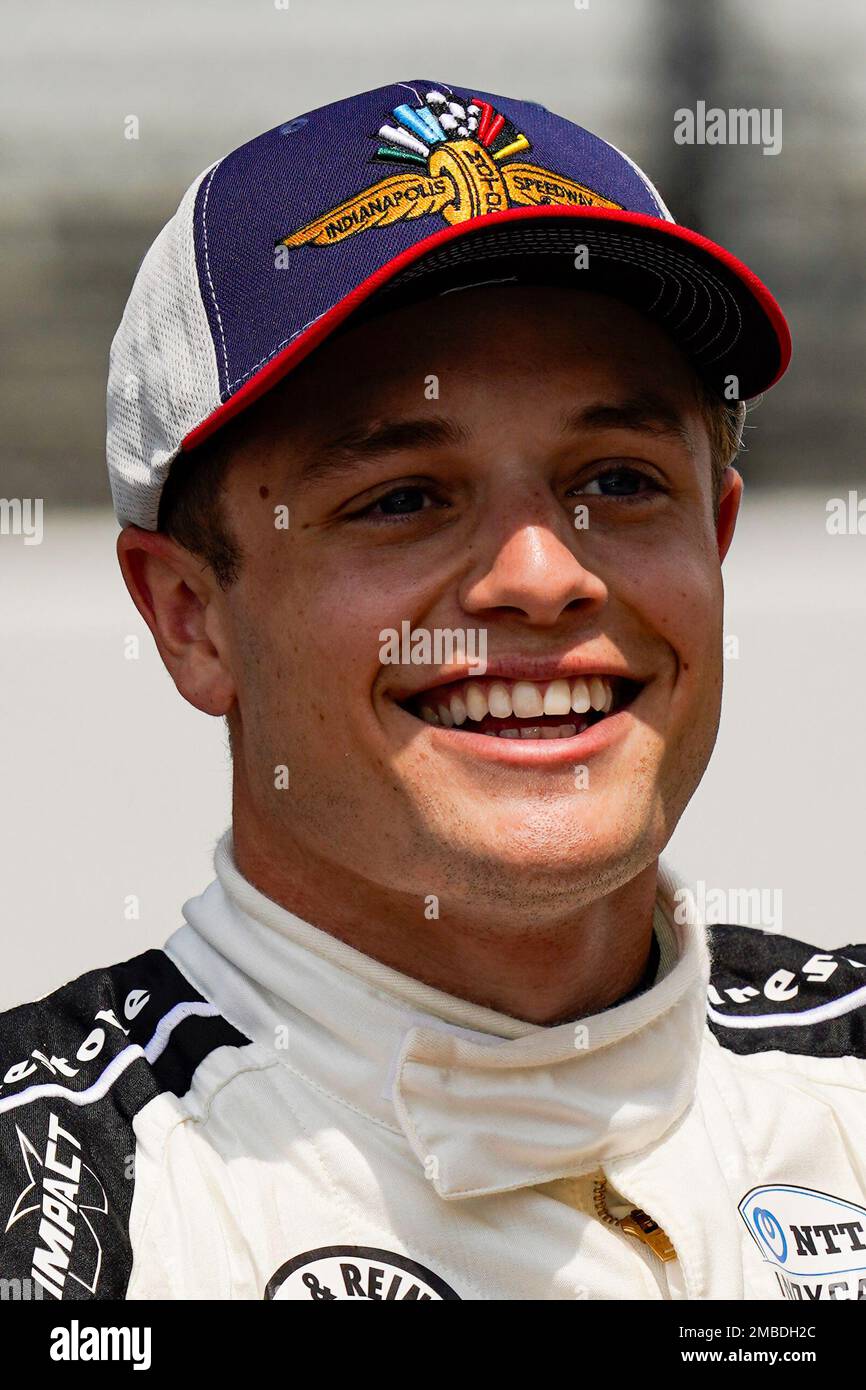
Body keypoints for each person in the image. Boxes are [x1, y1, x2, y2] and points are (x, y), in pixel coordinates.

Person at [2, 79, 864, 1303]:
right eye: (402, 499)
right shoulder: (61, 1202)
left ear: (713, 539)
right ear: (190, 618)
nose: (542, 576)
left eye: (617, 482)